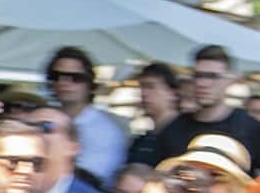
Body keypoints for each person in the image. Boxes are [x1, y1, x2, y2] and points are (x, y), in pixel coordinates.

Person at [149, 45, 260, 174]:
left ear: (229, 80)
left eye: (212, 76)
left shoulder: (251, 128)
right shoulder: (173, 129)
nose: (203, 83)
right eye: (198, 76)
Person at [44, 46, 128, 185]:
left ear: (90, 83)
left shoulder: (106, 131)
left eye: (75, 78)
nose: (64, 82)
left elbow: (91, 179)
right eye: (56, 76)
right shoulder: (45, 120)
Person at [124, 63, 183, 167]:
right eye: (141, 87)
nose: (143, 93)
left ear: (173, 93)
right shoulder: (141, 141)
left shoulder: (185, 136)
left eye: (150, 86)